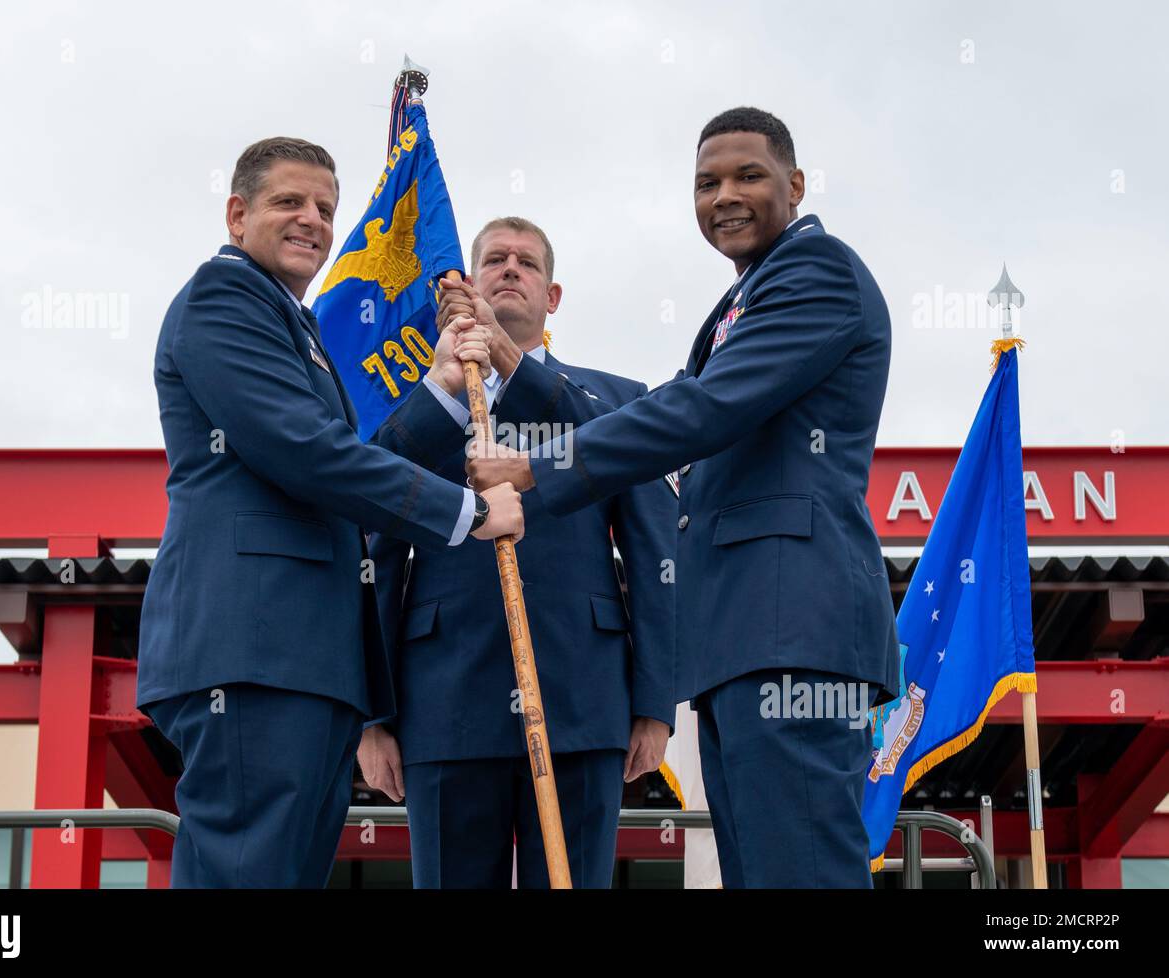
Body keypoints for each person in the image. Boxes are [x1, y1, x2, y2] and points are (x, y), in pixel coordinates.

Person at [465, 108, 901, 888]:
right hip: (744, 637)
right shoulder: (746, 300)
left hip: (794, 629)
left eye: (748, 175)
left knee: (801, 869)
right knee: (765, 871)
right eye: (706, 182)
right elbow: (662, 408)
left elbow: (698, 413)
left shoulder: (818, 273)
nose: (724, 195)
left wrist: (533, 469)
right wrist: (514, 364)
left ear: (796, 184)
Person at [136, 137, 522, 888]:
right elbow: (306, 452)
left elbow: (343, 458)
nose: (311, 220)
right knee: (246, 872)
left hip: (303, 658)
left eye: (324, 209)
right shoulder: (225, 297)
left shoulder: (292, 321)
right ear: (237, 212)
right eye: (289, 202)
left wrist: (441, 389)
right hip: (254, 650)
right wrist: (468, 512)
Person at [359, 217, 677, 887]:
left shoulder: (618, 402)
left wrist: (654, 703)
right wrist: (375, 716)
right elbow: (375, 549)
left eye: (527, 263)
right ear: (470, 283)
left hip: (582, 705)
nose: (510, 269)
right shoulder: (426, 400)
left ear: (552, 295)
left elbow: (654, 557)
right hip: (443, 703)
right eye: (495, 259)